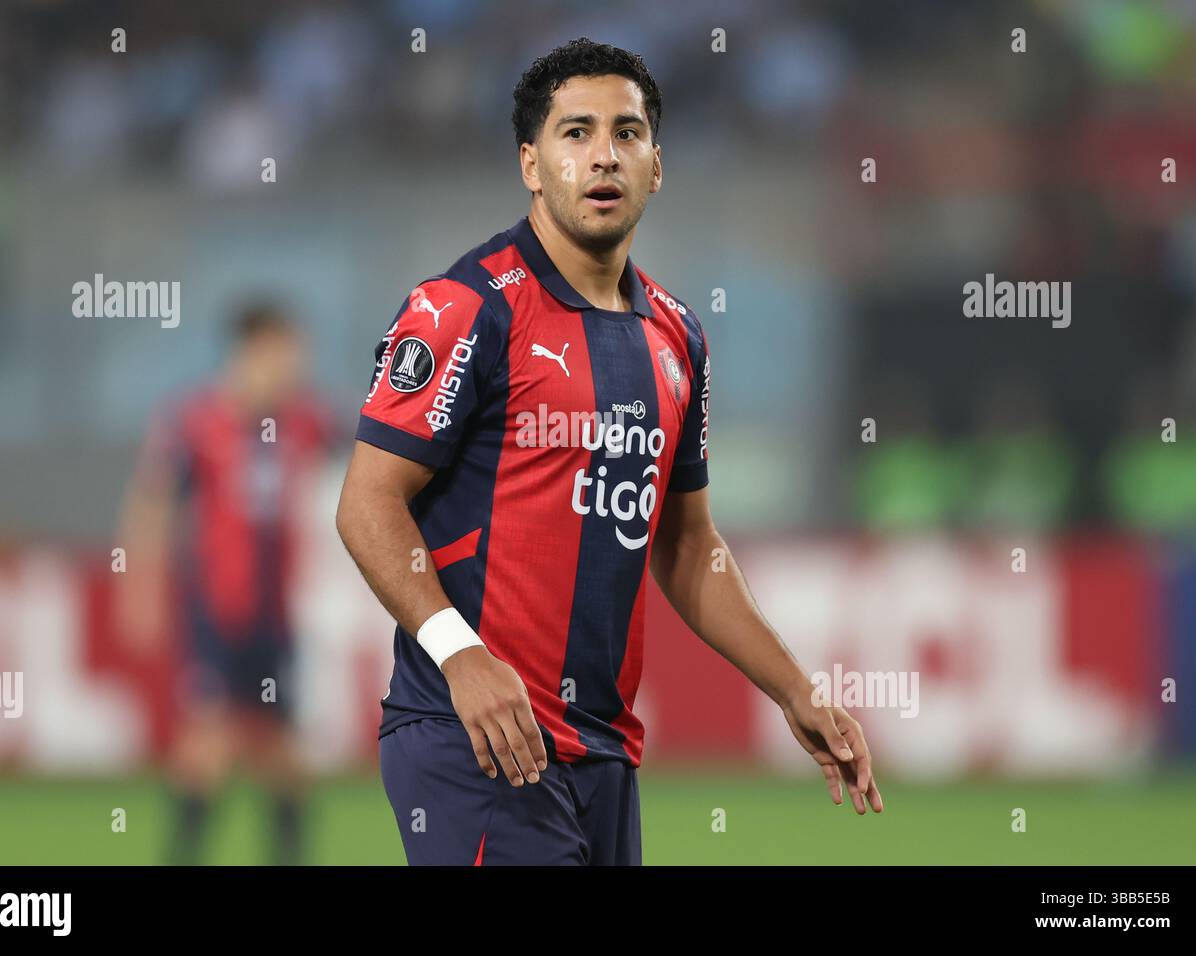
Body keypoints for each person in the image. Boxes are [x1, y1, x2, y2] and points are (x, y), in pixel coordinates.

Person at [336, 38, 882, 866]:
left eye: (627, 134)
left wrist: (794, 687)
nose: (603, 155)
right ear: (532, 163)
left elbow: (688, 544)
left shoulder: (677, 334)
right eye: (575, 132)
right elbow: (367, 502)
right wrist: (461, 657)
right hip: (475, 736)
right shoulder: (466, 309)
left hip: (604, 754)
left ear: (656, 166)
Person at [117, 302, 331, 865]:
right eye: (286, 351)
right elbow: (152, 502)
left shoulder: (306, 420)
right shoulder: (195, 420)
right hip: (216, 609)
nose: (295, 365)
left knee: (282, 754)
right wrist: (139, 587)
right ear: (252, 350)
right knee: (208, 742)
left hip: (274, 614)